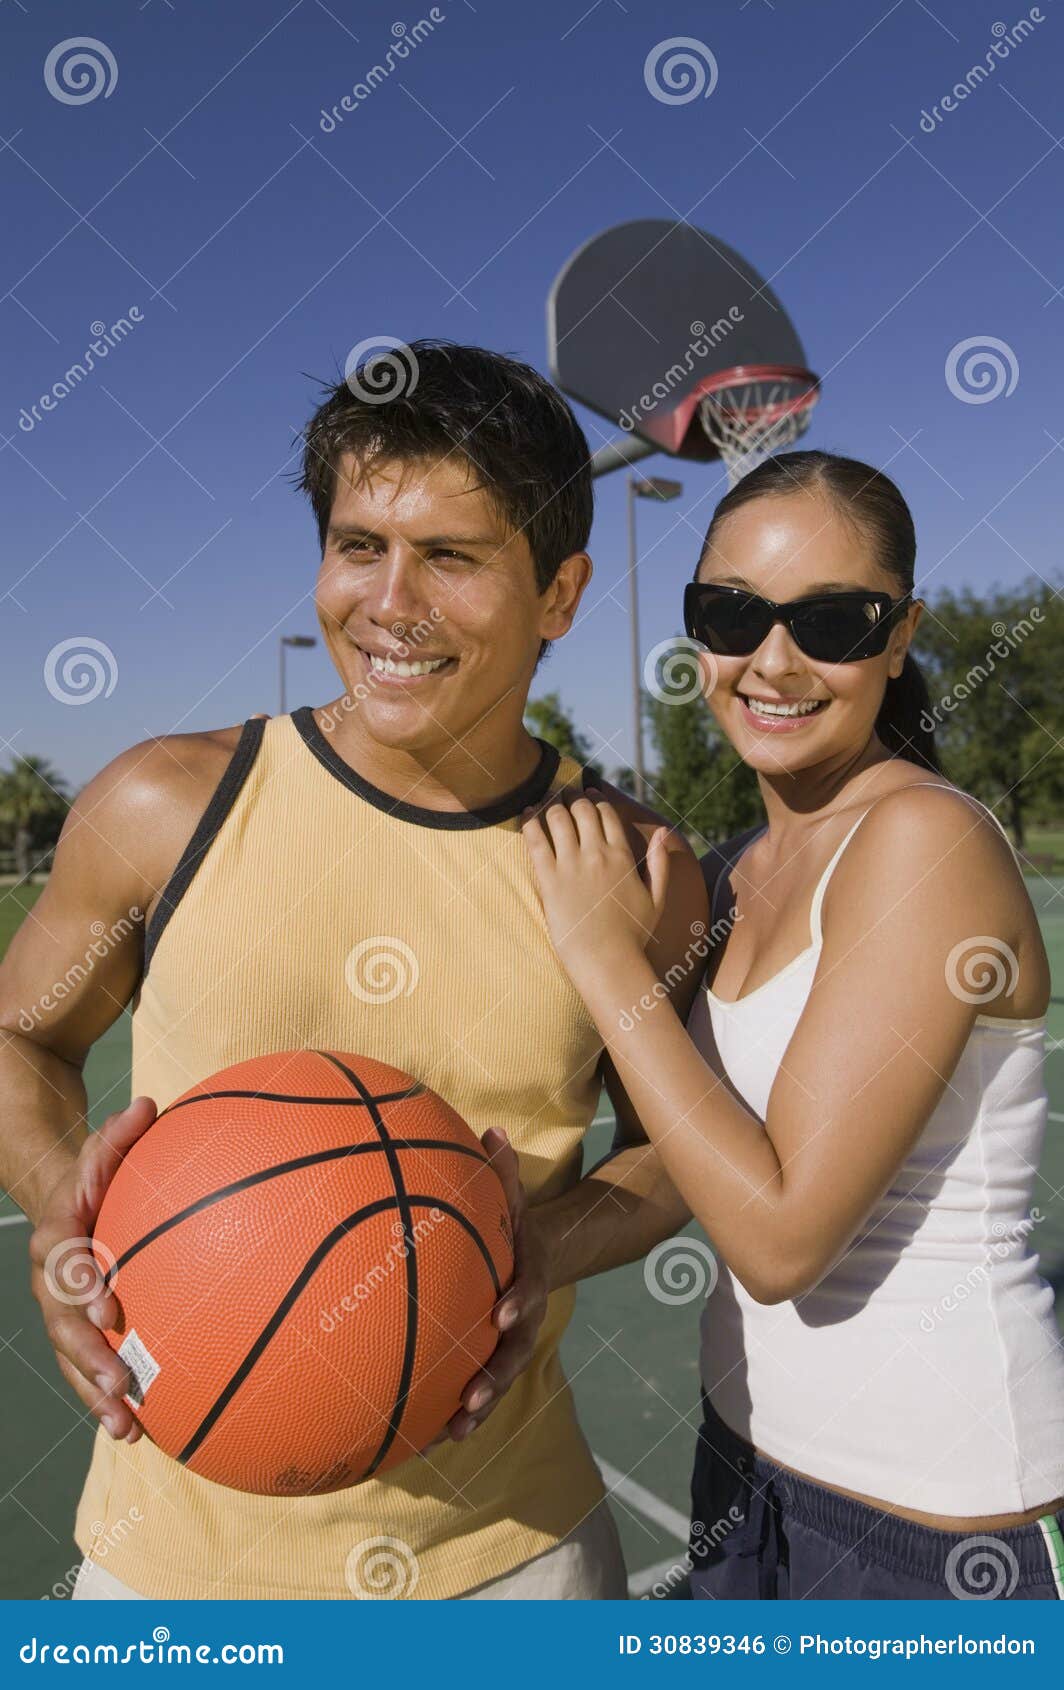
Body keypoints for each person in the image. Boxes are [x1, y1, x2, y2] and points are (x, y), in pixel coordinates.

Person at [0, 342, 709, 1600]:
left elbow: (670, 1154)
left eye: (451, 556)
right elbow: (21, 1036)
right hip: (172, 1564)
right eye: (359, 545)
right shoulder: (166, 801)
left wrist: (534, 1246)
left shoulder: (632, 868)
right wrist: (66, 1205)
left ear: (559, 594)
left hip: (508, 1552)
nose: (390, 602)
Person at [522, 450, 1064, 1600]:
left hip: (933, 1524)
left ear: (899, 634)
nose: (771, 660)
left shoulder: (923, 842)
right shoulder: (733, 871)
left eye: (829, 622)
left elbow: (776, 1242)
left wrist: (600, 955)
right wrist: (491, 1250)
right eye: (731, 613)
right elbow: (680, 1160)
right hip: (745, 1466)